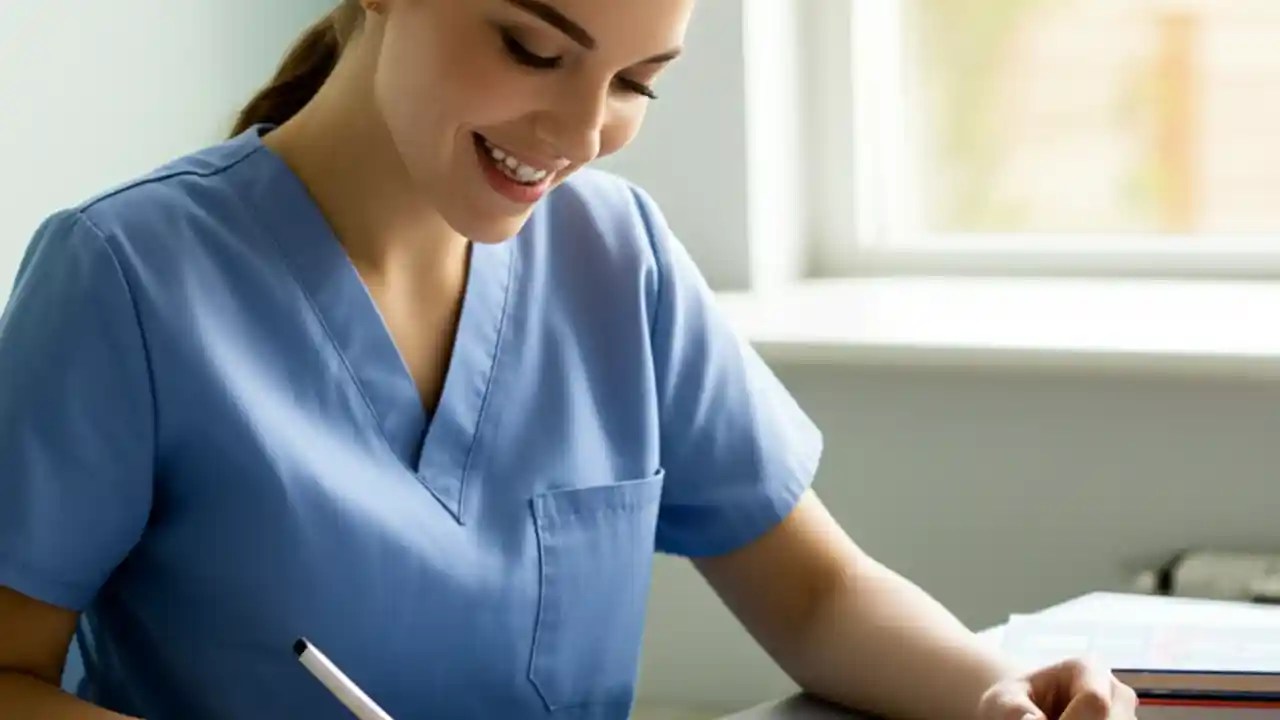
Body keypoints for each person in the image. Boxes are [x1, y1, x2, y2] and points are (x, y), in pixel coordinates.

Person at [0, 1, 1138, 718]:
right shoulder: (125, 279)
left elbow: (816, 593)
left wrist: (989, 690)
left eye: (638, 81)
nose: (580, 133)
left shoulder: (617, 258)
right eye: (533, 47)